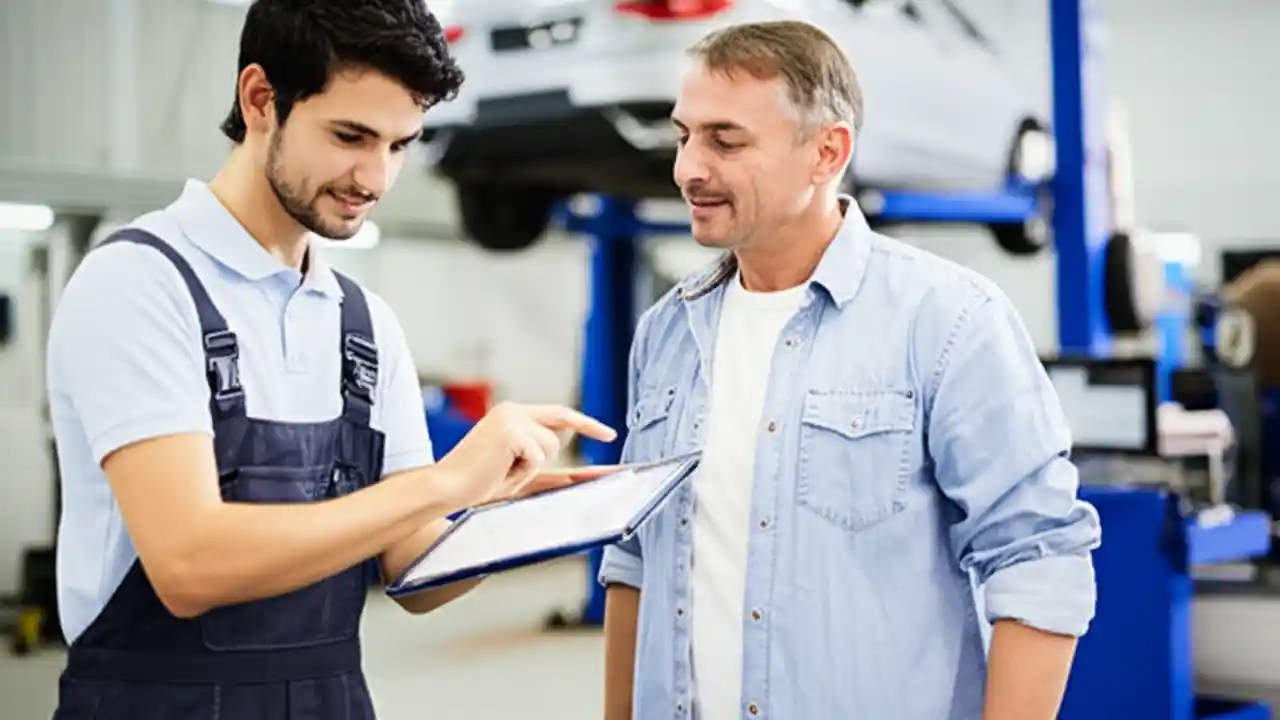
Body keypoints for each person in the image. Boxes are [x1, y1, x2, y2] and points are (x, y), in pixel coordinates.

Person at [45, 2, 615, 718]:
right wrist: (444, 483)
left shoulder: (363, 325)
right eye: (351, 136)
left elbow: (412, 567)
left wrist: (520, 518)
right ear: (260, 99)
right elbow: (189, 564)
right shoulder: (140, 284)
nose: (375, 177)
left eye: (401, 145)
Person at [599, 20, 1102, 720]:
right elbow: (634, 564)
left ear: (826, 152)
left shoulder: (947, 321)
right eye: (684, 135)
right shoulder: (666, 333)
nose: (688, 168)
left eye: (725, 141)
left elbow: (1038, 556)